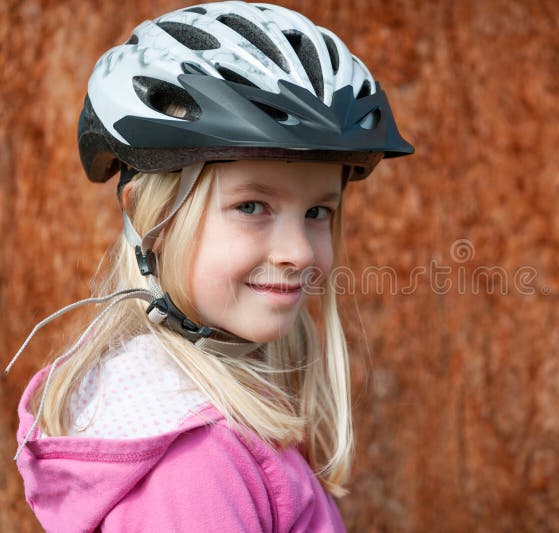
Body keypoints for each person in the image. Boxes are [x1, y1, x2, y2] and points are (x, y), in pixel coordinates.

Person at [6, 2, 413, 531]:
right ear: (151, 222)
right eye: (252, 206)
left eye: (317, 212)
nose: (300, 252)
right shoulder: (194, 469)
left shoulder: (203, 419)